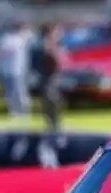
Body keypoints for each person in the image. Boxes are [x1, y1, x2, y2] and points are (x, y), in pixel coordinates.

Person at [33, 24, 65, 168]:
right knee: (51, 104)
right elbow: (54, 62)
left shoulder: (49, 45)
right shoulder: (46, 46)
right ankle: (54, 130)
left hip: (51, 80)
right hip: (49, 81)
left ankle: (55, 128)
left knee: (53, 106)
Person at [0, 22, 33, 119]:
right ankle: (14, 110)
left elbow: (29, 35)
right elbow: (2, 50)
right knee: (10, 92)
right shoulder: (8, 38)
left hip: (18, 70)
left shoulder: (20, 39)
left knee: (20, 92)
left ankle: (24, 111)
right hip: (7, 70)